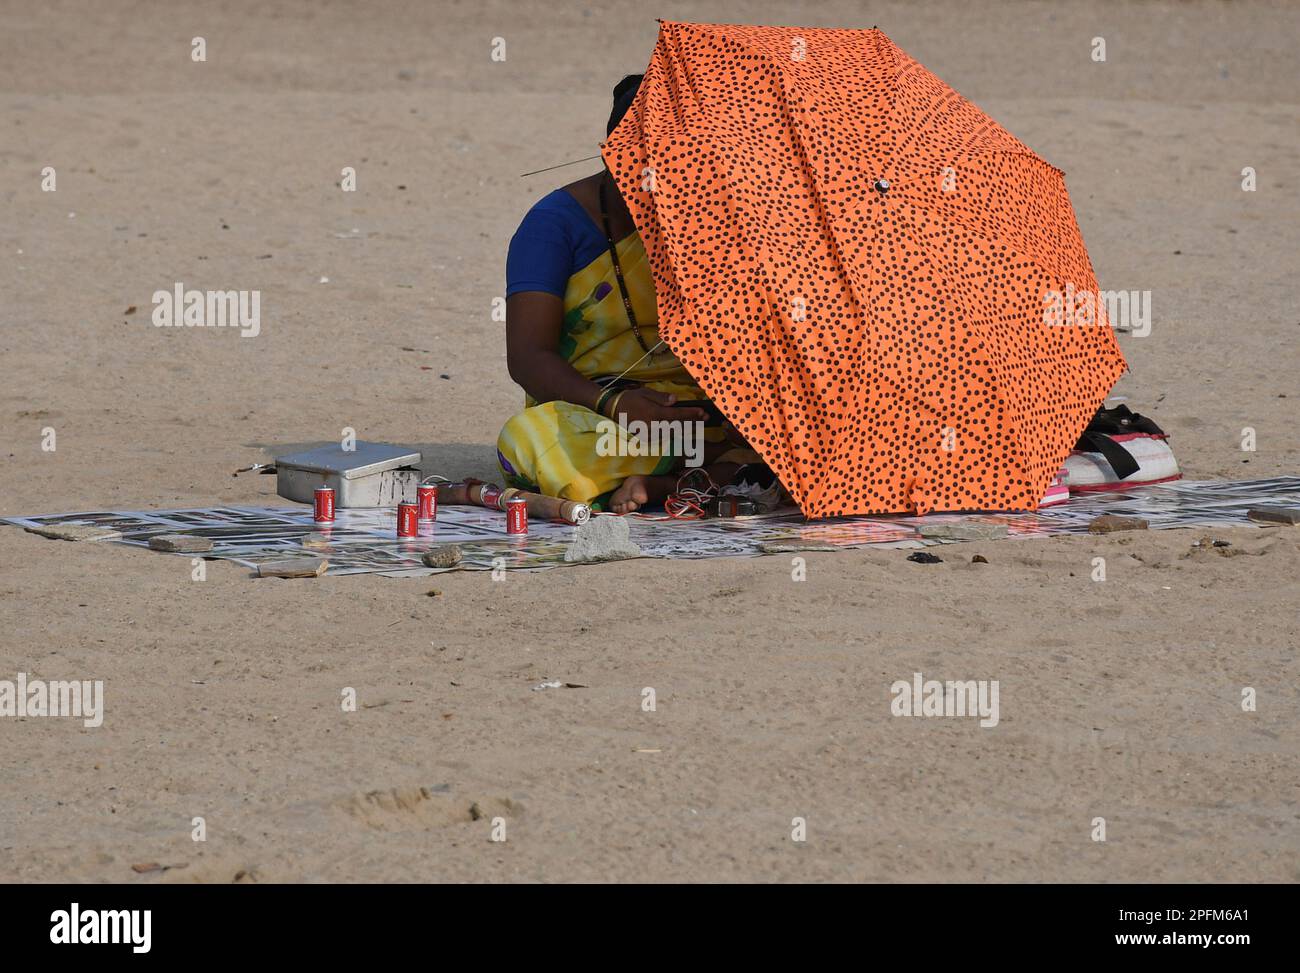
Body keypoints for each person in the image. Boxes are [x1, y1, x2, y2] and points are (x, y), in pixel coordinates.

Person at [497, 75, 761, 513]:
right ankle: (712, 478)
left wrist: (742, 407)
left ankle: (671, 481)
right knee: (528, 440)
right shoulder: (553, 225)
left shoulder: (713, 217)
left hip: (702, 418)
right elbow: (527, 356)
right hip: (596, 415)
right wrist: (616, 403)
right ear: (614, 156)